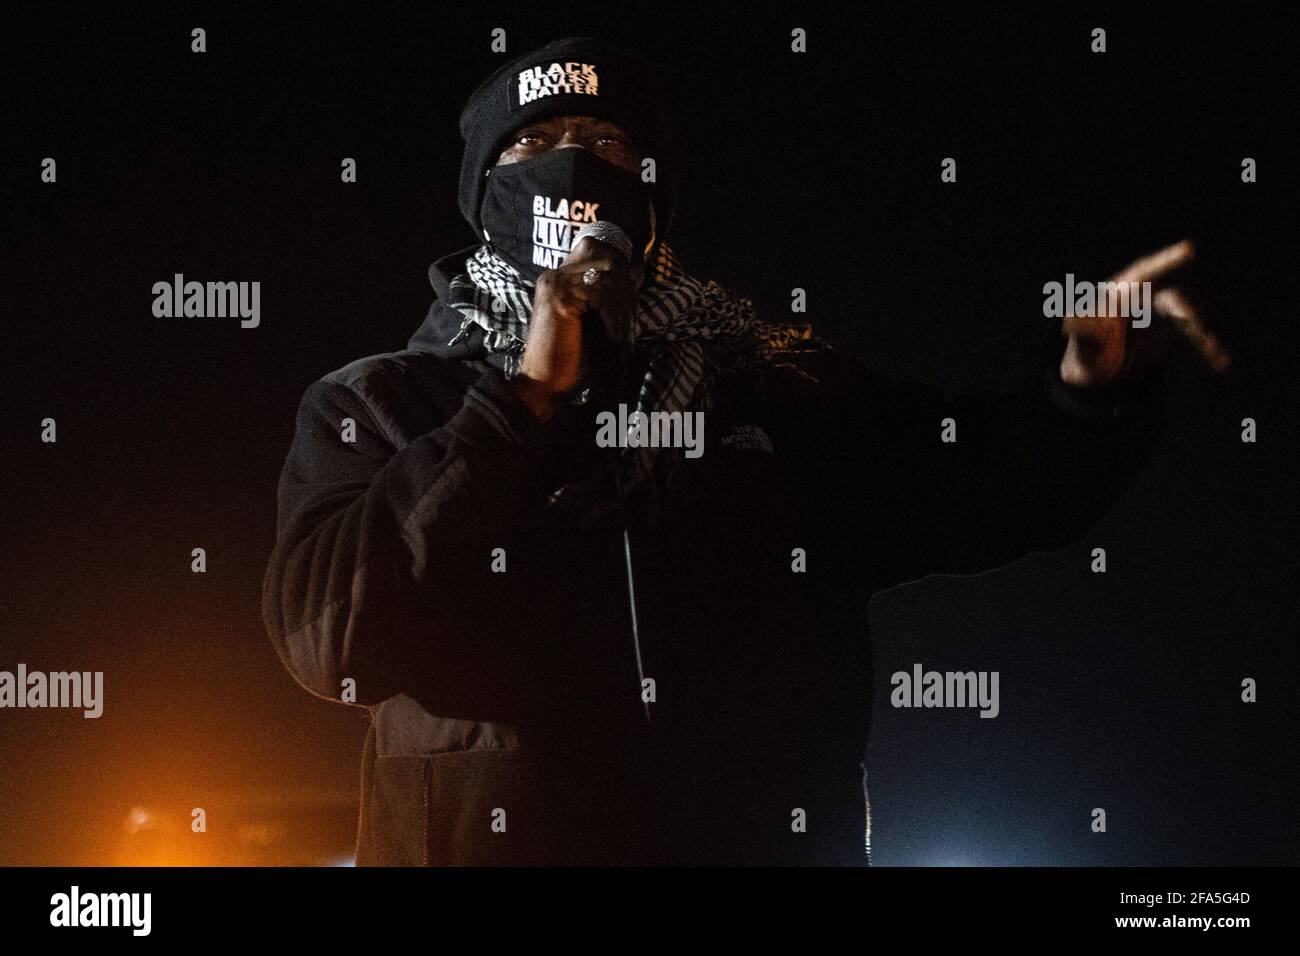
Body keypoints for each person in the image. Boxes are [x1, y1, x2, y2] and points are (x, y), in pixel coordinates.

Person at [261, 36, 1229, 866]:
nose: (573, 166)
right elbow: (329, 634)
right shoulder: (381, 399)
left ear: (652, 194)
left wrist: (1086, 391)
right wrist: (521, 403)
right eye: (536, 145)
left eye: (605, 142)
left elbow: (985, 482)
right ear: (485, 194)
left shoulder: (772, 380)